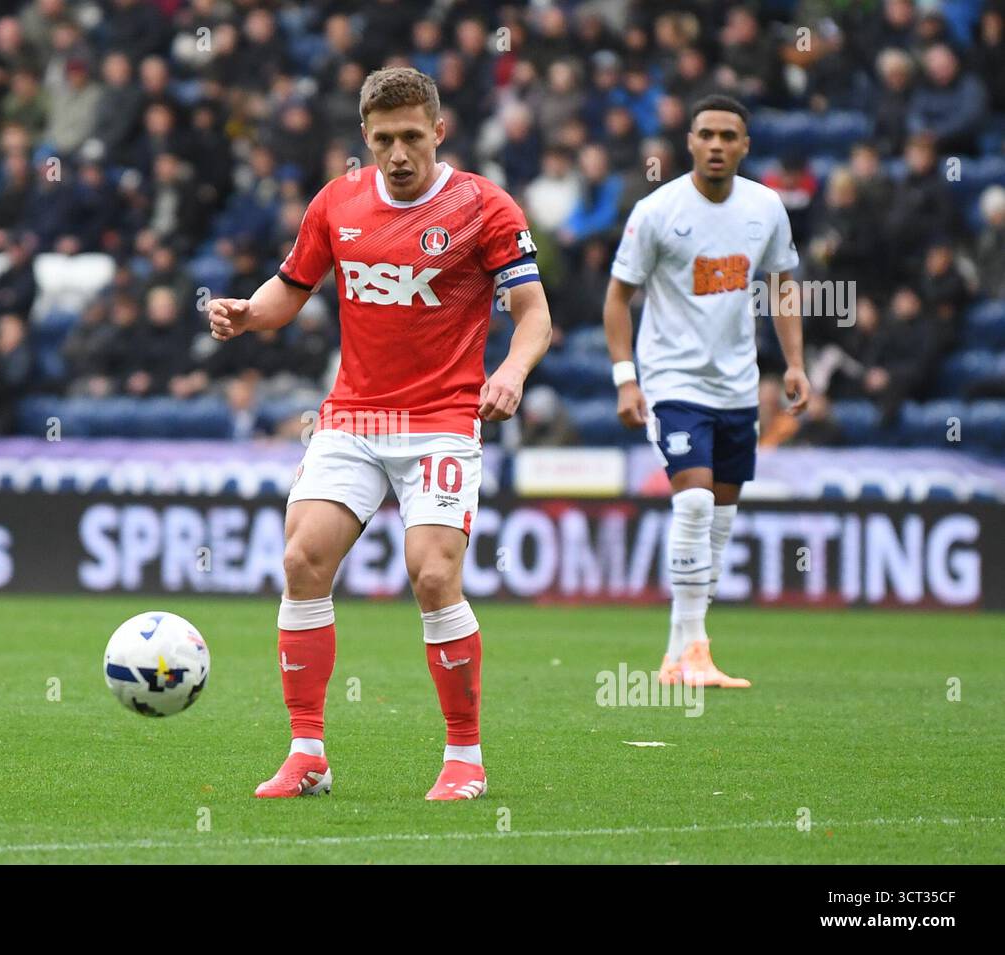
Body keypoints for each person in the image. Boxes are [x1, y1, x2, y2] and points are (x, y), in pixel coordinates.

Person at [206, 67, 552, 800]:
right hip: (355, 419)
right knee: (302, 558)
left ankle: (465, 758)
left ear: (439, 131)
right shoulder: (338, 201)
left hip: (441, 422)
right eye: (385, 139)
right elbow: (288, 290)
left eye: (413, 137)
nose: (400, 154)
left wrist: (513, 373)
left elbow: (533, 312)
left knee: (431, 573)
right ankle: (307, 754)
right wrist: (248, 314)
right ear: (365, 138)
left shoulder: (483, 208)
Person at [603, 94, 808, 689]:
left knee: (718, 521)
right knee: (692, 503)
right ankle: (695, 649)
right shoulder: (658, 210)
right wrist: (625, 378)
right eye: (707, 134)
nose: (717, 145)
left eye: (729, 136)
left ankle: (679, 654)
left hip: (738, 386)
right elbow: (618, 296)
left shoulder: (765, 207)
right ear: (689, 142)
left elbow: (782, 286)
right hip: (673, 381)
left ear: (745, 146)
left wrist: (794, 364)